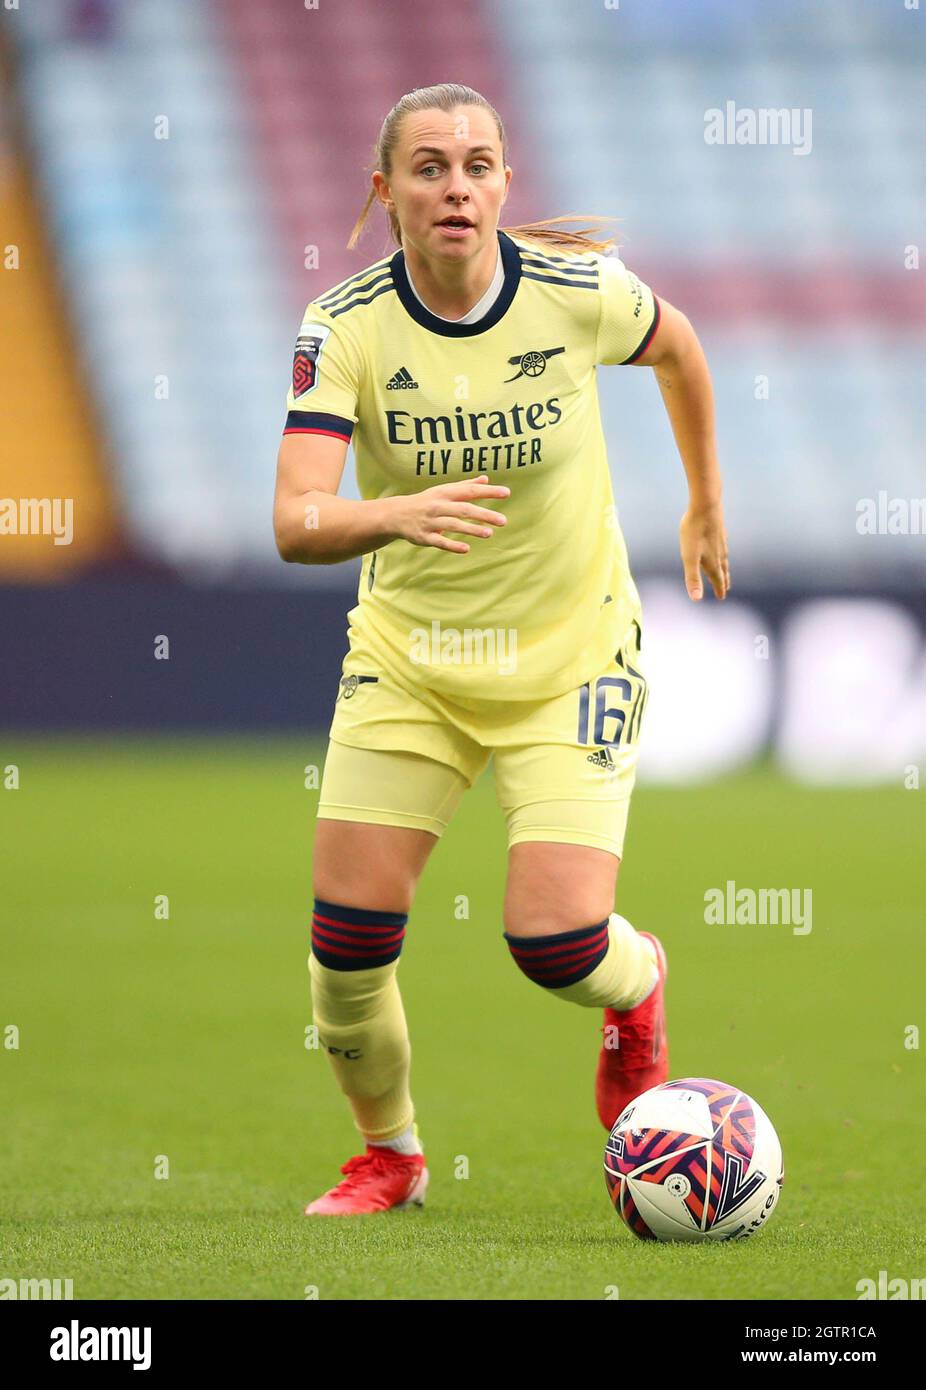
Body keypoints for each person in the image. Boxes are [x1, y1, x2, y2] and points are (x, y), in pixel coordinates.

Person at [273, 83, 729, 1216]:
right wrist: (395, 512)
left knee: (556, 940)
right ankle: (391, 1155)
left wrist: (703, 503)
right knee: (346, 947)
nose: (455, 187)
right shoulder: (344, 327)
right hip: (412, 662)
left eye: (477, 165)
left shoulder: (577, 294)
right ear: (385, 193)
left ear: (503, 186)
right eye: (427, 167)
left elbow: (678, 351)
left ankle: (640, 985)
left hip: (568, 658)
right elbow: (295, 521)